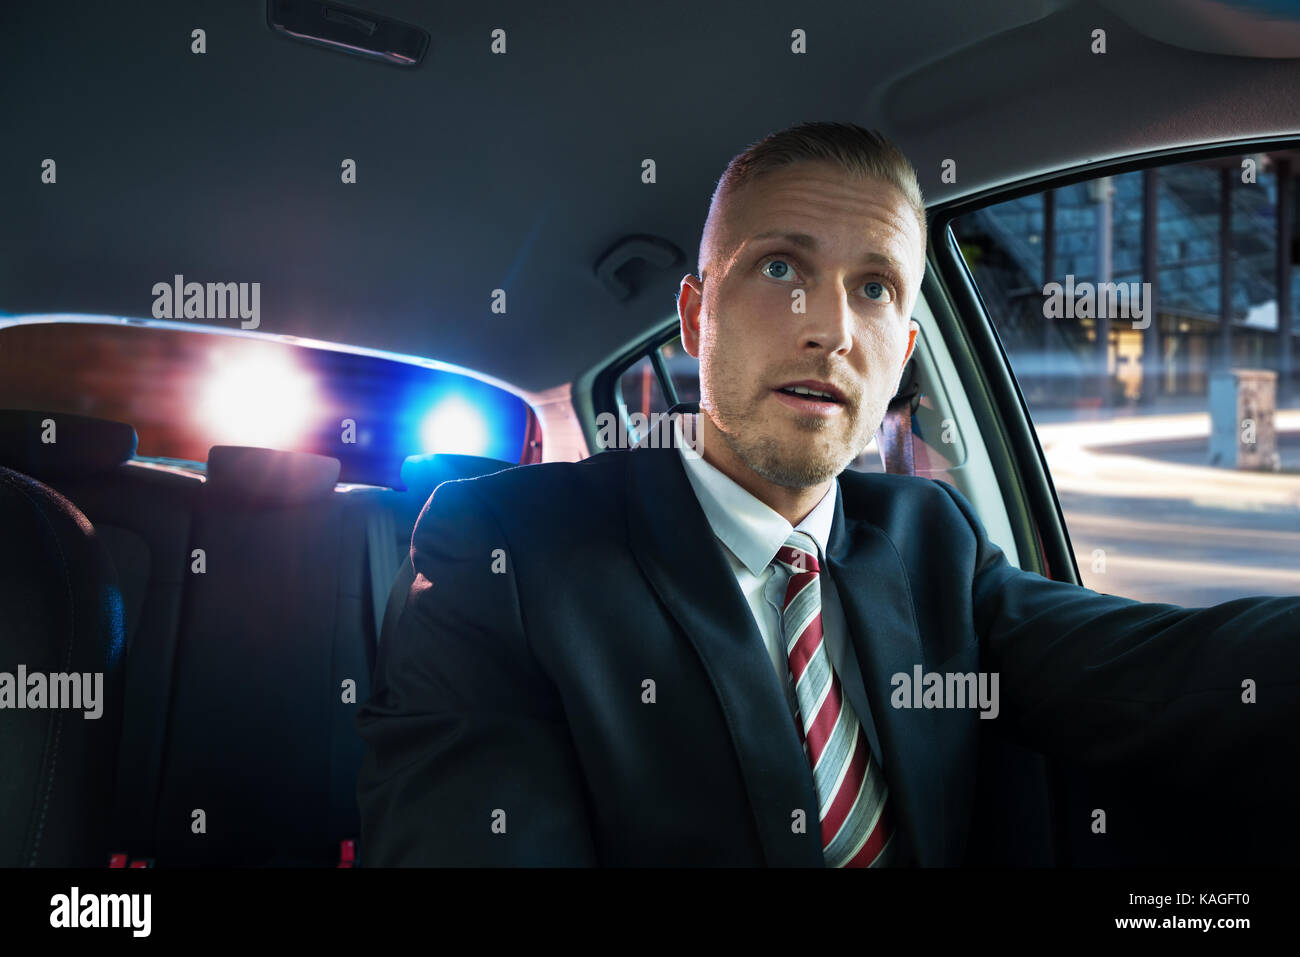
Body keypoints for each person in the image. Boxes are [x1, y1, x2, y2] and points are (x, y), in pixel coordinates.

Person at [355, 121, 1299, 866]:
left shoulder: (935, 539)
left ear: (905, 355)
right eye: (781, 269)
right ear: (696, 316)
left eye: (878, 288)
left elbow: (1163, 671)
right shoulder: (505, 551)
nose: (832, 330)